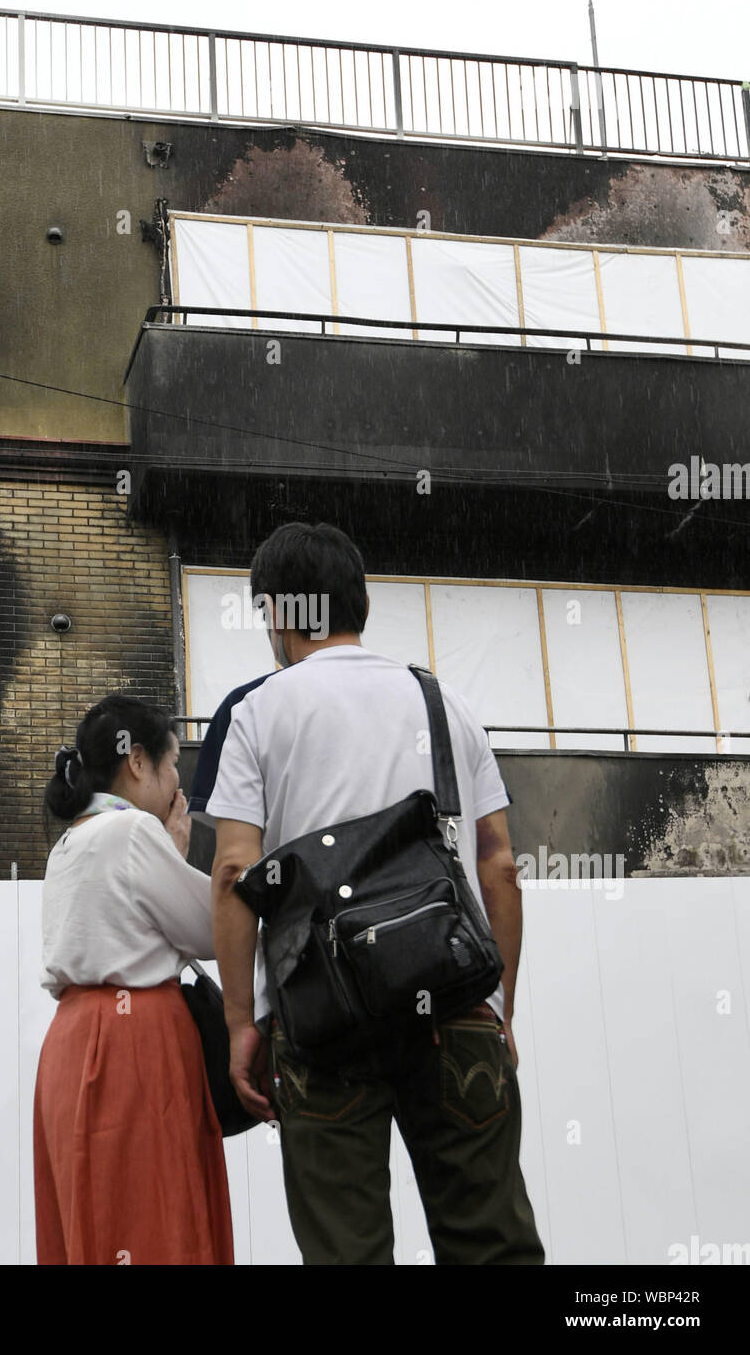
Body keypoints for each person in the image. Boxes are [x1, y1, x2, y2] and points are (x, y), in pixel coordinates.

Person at [205, 522, 544, 1265]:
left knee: (345, 1251)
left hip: (322, 1017)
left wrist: (241, 1021)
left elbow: (233, 871)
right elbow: (497, 865)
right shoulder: (443, 702)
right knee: (492, 1242)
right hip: (451, 1002)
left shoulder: (258, 713)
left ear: (281, 613)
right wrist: (499, 1009)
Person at [34, 693, 234, 1265]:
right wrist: (177, 851)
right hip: (132, 1040)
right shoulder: (130, 834)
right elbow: (214, 932)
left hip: (74, 1040)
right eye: (173, 766)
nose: (178, 783)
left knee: (94, 1213)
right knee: (153, 1212)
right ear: (138, 762)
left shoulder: (72, 840)